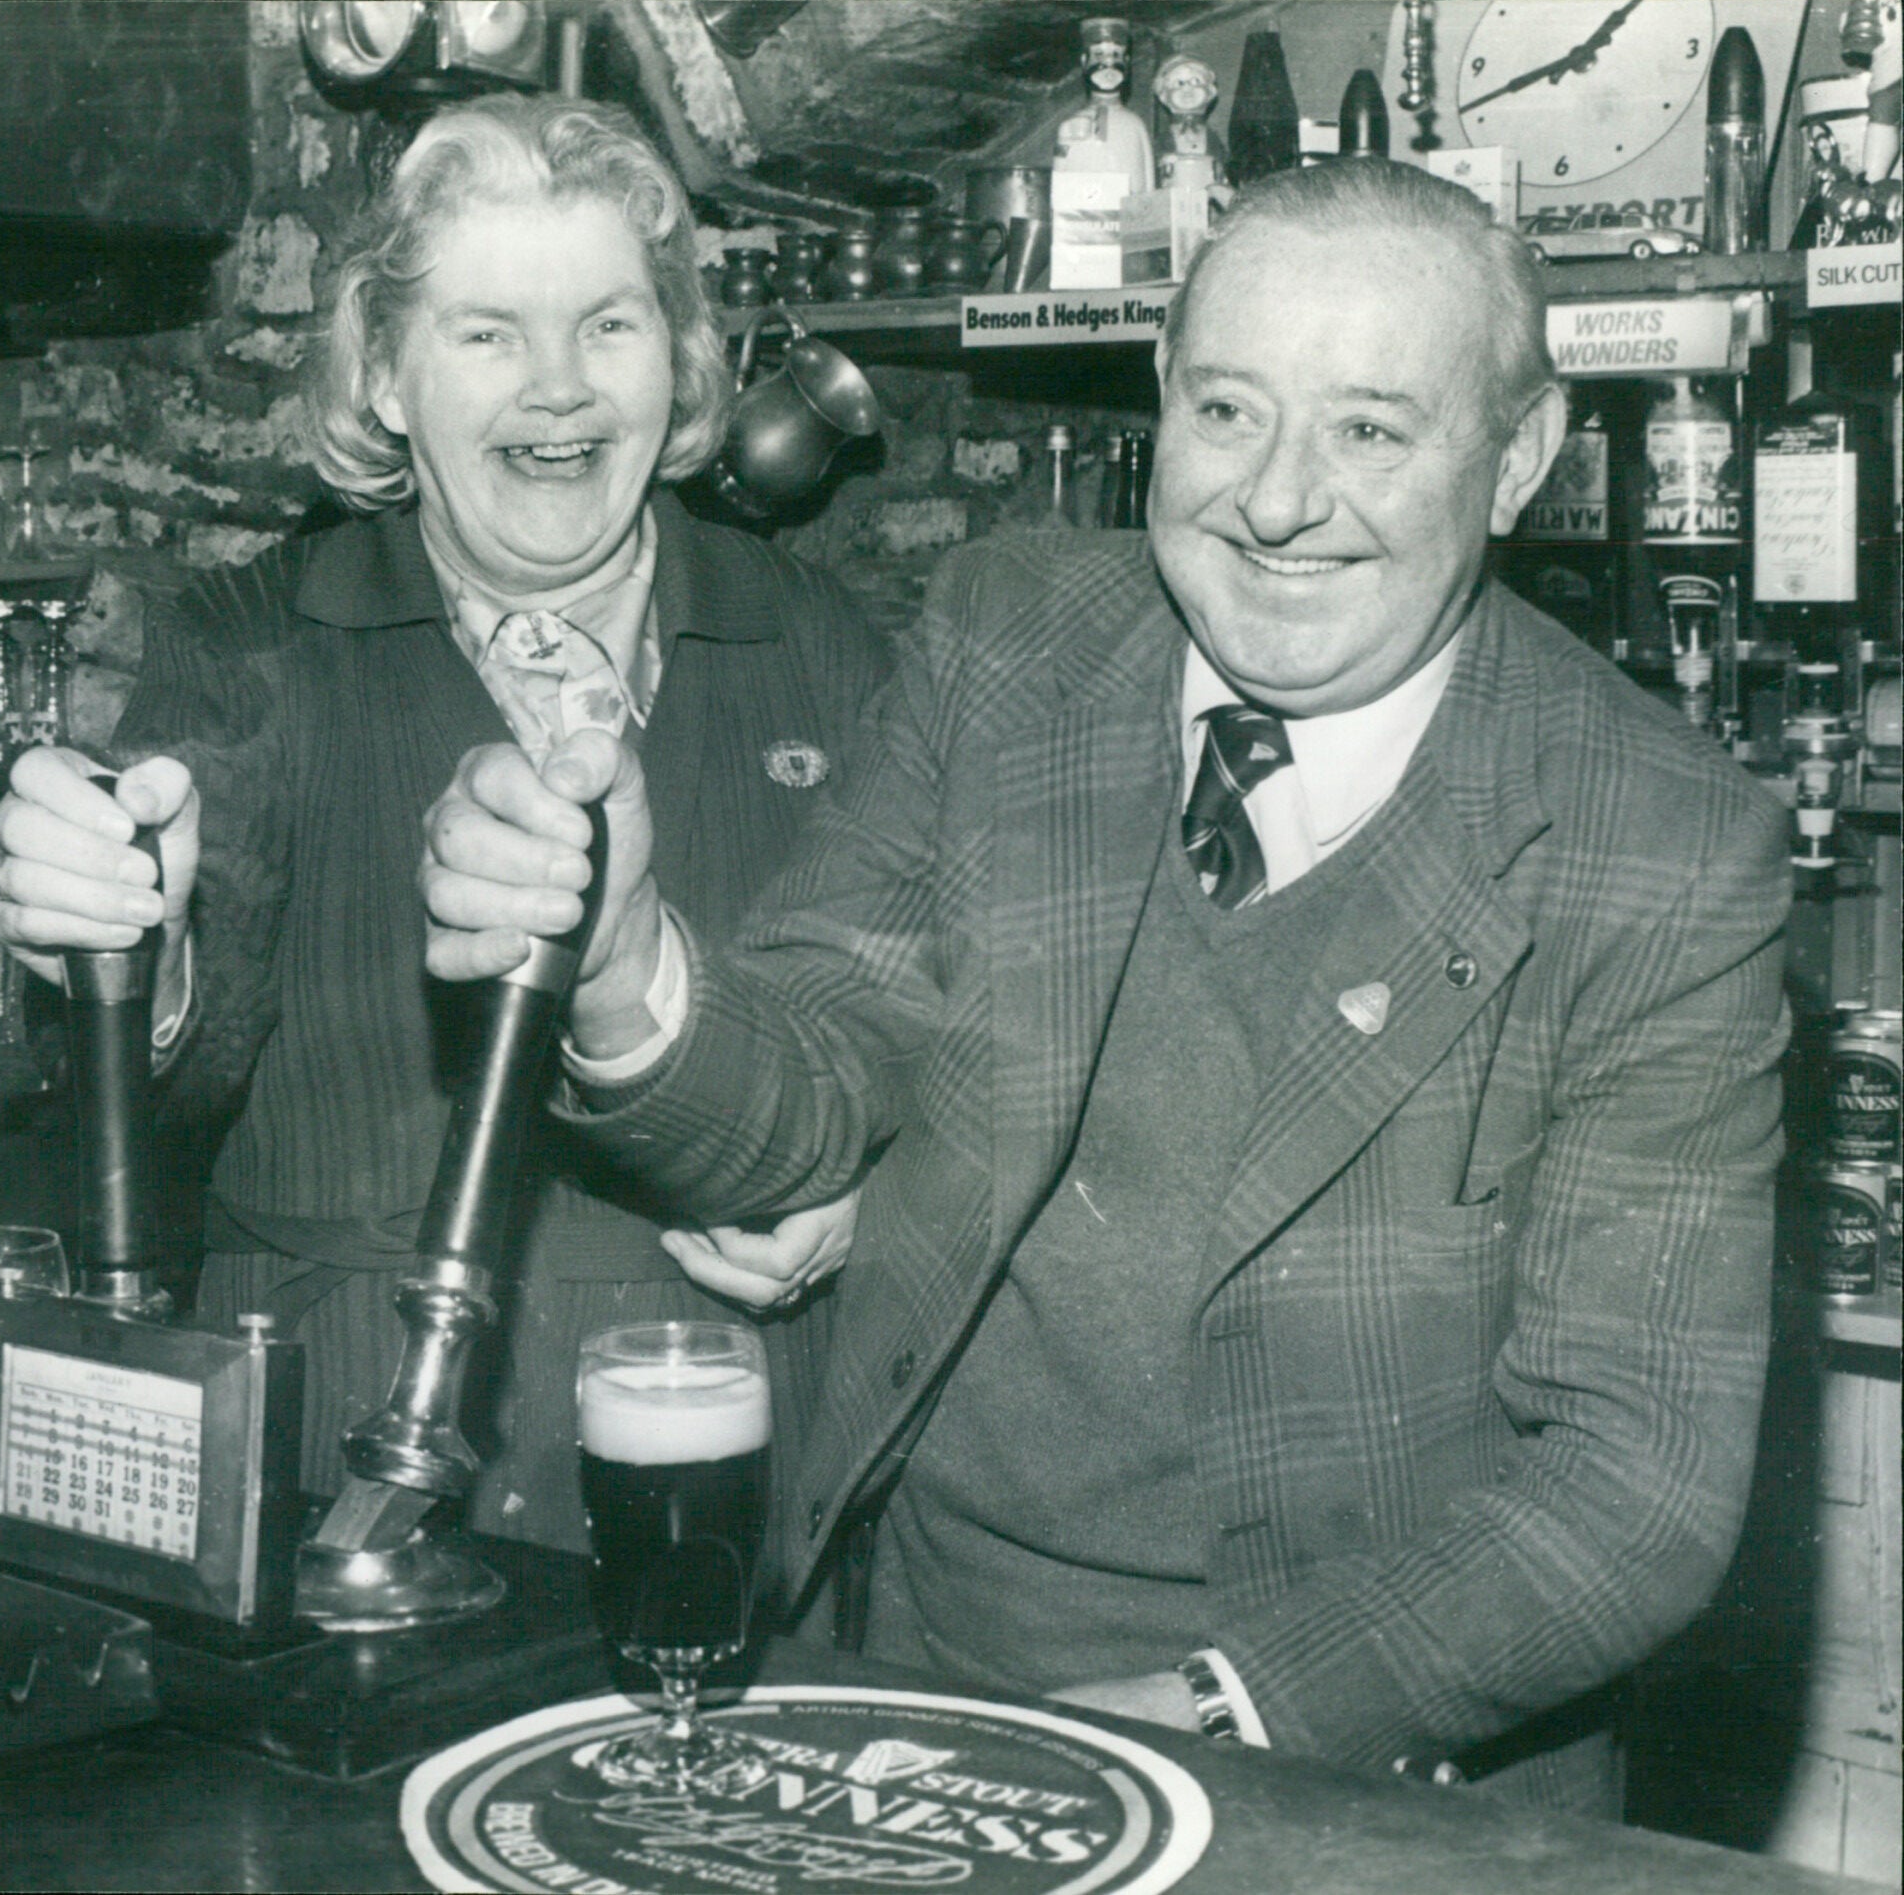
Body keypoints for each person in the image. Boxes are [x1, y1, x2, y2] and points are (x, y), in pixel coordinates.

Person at [421, 159, 1791, 1811]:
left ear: (1519, 459)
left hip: (1358, 1765)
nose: (1279, 502)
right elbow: (814, 1066)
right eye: (1229, 411)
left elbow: (1631, 1489)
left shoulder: (1656, 839)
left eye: (1370, 430)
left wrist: (1206, 1713)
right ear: (1162, 397)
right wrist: (630, 957)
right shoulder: (1015, 637)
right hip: (915, 1681)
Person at [0, 94, 887, 1554]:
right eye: (486, 334)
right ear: (387, 377)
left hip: (717, 1479)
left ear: (680, 360)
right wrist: (125, 948)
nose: (559, 390)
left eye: (610, 326)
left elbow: (935, 1022)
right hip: (328, 1480)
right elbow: (158, 1097)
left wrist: (874, 1199)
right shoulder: (248, 637)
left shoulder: (817, 640)